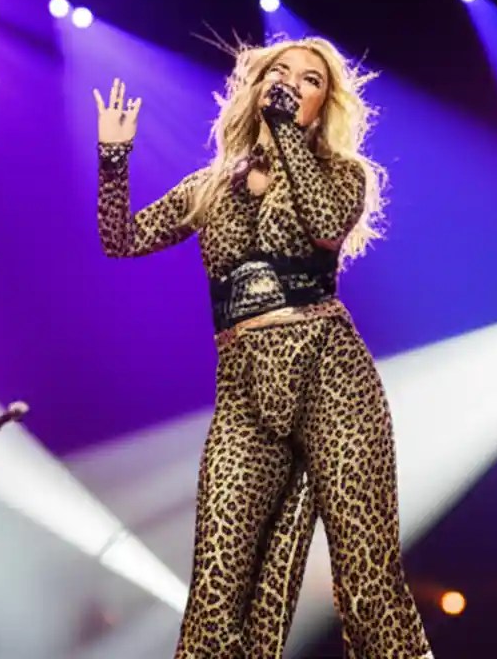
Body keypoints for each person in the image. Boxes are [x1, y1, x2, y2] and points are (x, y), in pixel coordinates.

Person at [93, 36, 433, 658]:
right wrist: (114, 157)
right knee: (219, 582)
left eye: (309, 81)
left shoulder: (342, 174)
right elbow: (121, 239)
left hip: (331, 375)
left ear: (322, 104)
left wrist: (288, 138)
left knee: (365, 579)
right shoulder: (209, 186)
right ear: (254, 87)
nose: (291, 85)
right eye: (280, 73)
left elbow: (329, 225)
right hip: (244, 389)